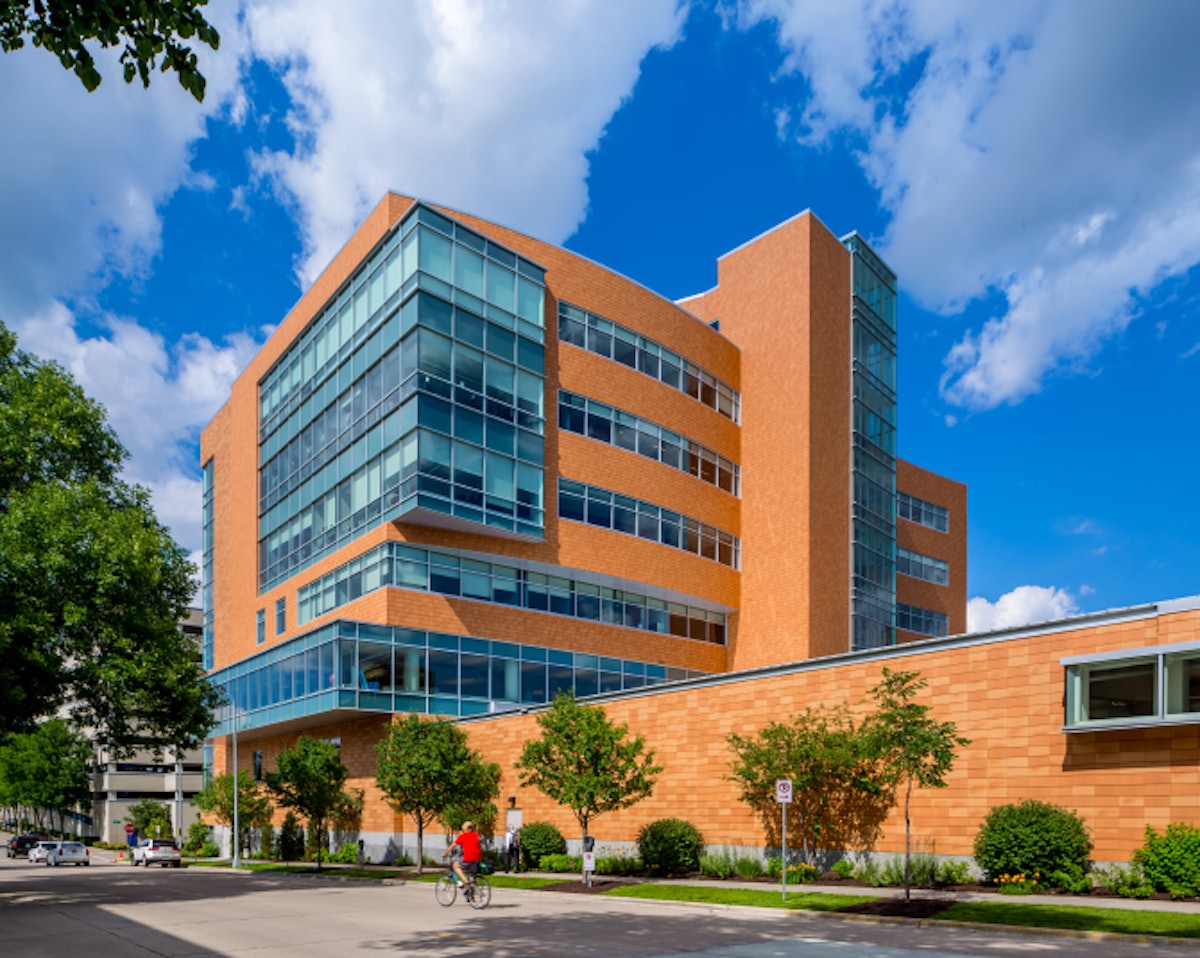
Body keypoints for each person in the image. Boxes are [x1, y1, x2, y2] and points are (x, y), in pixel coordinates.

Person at [442, 821, 482, 887]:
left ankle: (465, 881)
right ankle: (472, 890)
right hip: (477, 859)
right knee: (471, 876)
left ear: (464, 829)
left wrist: (445, 854)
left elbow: (452, 845)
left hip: (468, 858)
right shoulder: (476, 836)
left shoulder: (463, 836)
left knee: (455, 866)